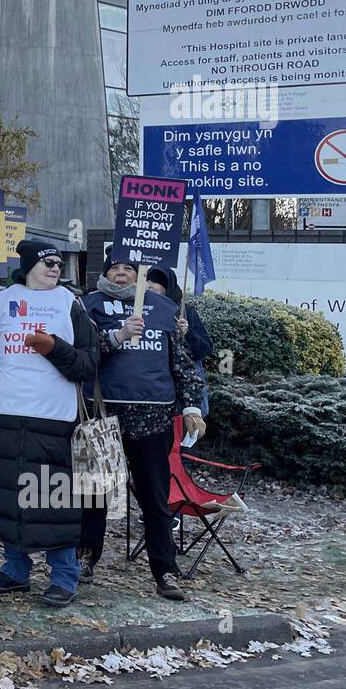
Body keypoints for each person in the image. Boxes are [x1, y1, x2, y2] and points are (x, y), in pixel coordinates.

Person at [0, 240, 99, 606]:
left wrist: (53, 347)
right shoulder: (3, 300)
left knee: (53, 499)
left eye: (58, 263)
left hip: (52, 416)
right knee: (8, 494)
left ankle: (64, 576)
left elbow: (89, 363)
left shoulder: (70, 304)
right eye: (48, 263)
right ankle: (15, 570)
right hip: (5, 413)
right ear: (27, 267)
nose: (56, 268)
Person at [78, 255, 206, 601]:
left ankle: (165, 570)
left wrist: (192, 404)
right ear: (104, 274)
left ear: (139, 276)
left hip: (153, 417)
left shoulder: (163, 308)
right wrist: (117, 336)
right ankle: (86, 556)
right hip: (103, 412)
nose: (121, 273)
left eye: (128, 269)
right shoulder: (87, 305)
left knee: (155, 497)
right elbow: (80, 355)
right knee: (96, 493)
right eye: (114, 268)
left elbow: (180, 360)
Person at [149, 269, 214, 416]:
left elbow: (205, 348)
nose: (150, 286)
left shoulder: (185, 310)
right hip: (156, 388)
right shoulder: (142, 310)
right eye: (147, 282)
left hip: (183, 388)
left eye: (155, 282)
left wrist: (187, 333)